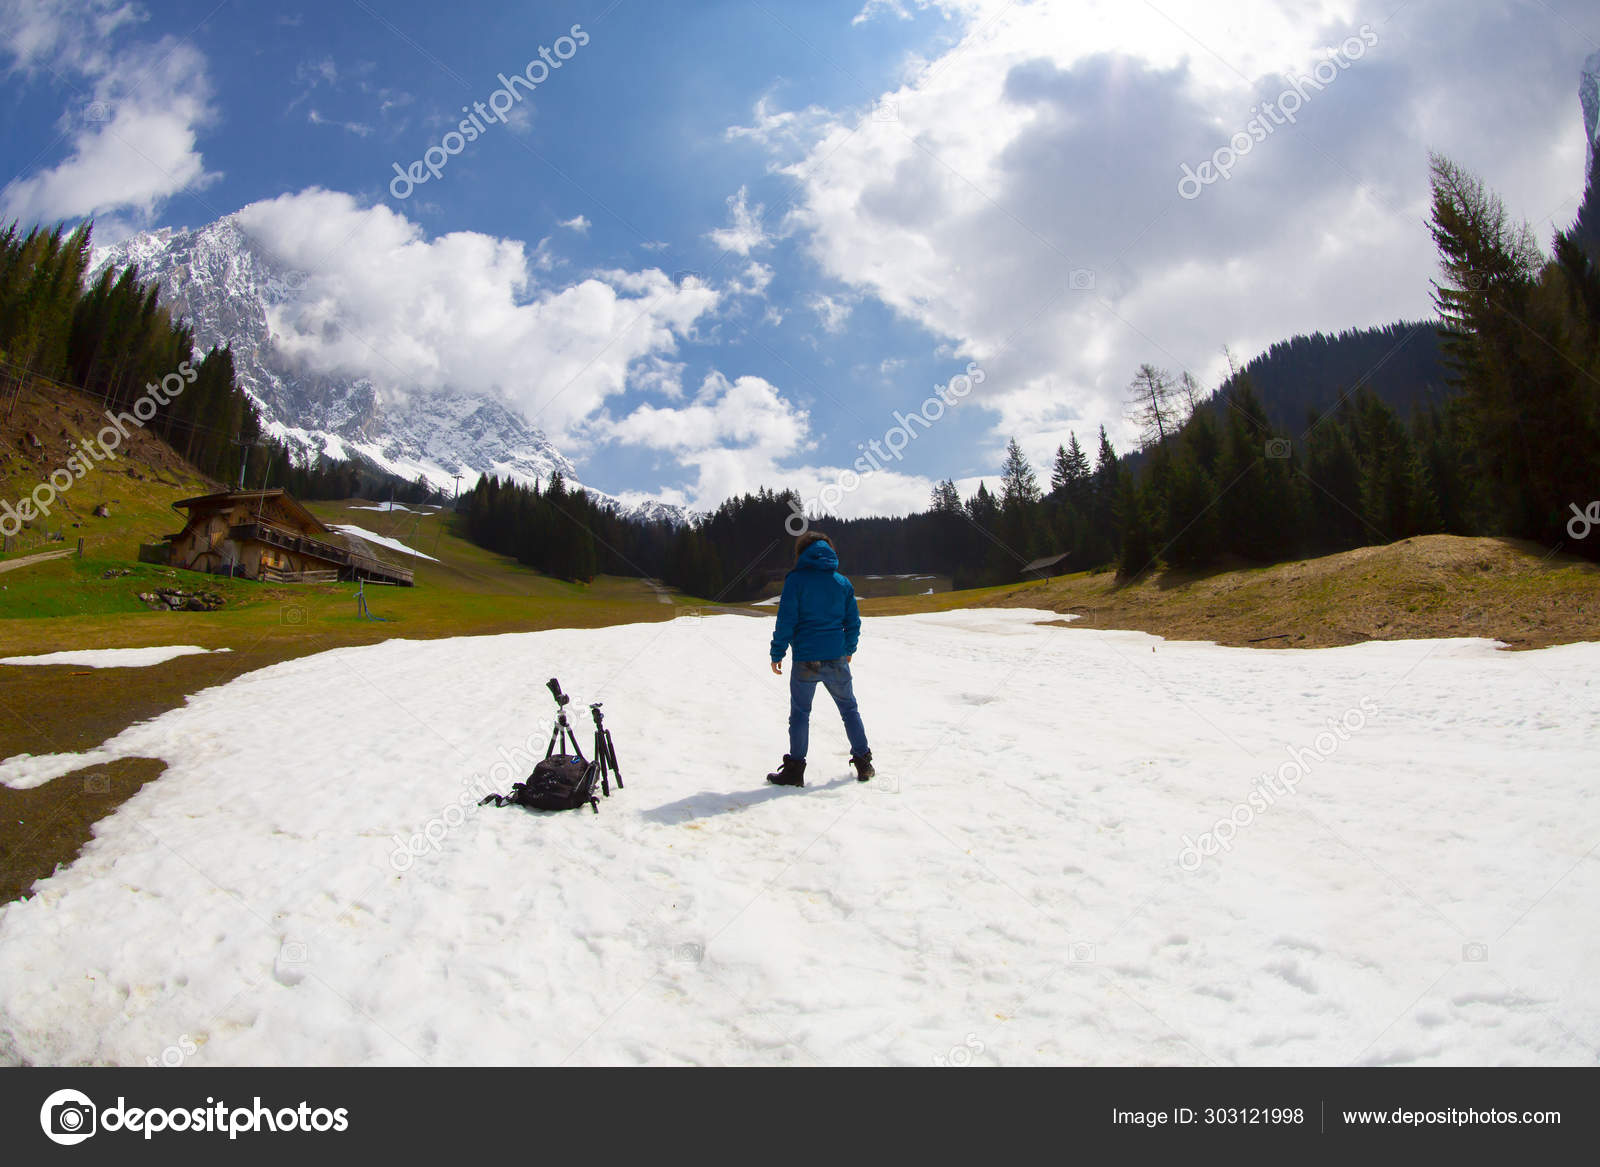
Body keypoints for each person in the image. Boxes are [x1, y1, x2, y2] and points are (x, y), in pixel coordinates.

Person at [767, 530, 873, 786]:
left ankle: (795, 771)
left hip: (805, 659)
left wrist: (777, 652)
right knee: (849, 709)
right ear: (830, 552)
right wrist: (849, 649)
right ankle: (864, 763)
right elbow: (853, 622)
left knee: (800, 714)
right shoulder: (842, 582)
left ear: (802, 553)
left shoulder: (795, 581)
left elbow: (786, 621)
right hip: (836, 657)